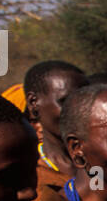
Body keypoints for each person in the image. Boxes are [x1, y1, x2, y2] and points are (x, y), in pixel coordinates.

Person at [24, 60, 89, 190]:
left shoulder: (100, 162)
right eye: (66, 101)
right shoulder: (27, 173)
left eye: (85, 101)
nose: (80, 111)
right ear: (33, 103)